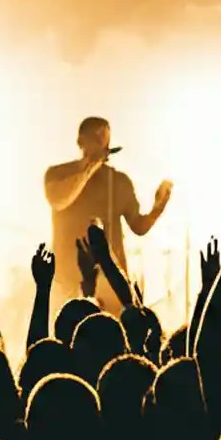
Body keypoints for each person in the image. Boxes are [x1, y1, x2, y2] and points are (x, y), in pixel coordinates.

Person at [43, 117, 172, 312]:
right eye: (96, 138)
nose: (102, 145)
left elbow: (138, 226)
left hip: (112, 284)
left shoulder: (119, 181)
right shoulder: (57, 174)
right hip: (69, 282)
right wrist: (88, 169)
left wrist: (157, 208)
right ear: (80, 141)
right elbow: (59, 200)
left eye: (105, 140)